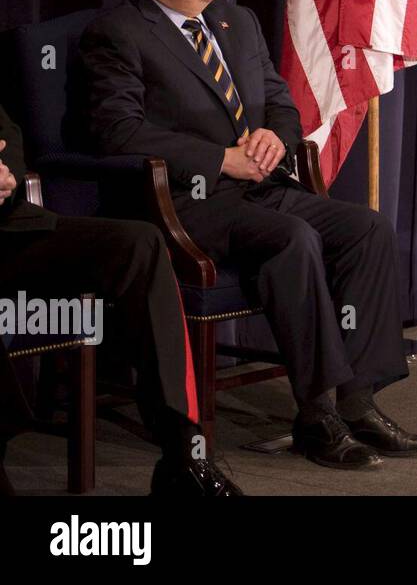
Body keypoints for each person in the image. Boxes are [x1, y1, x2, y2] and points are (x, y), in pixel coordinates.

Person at [74, 0, 417, 469]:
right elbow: (117, 131)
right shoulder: (118, 33)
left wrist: (275, 136)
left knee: (367, 229)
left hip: (262, 187)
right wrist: (220, 159)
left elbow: (280, 103)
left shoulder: (236, 21)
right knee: (291, 238)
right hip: (188, 201)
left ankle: (358, 403)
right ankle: (316, 415)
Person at [0, 104, 240, 495]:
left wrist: (5, 174)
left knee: (141, 243)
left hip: (9, 227)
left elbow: (6, 134)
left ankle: (181, 453)